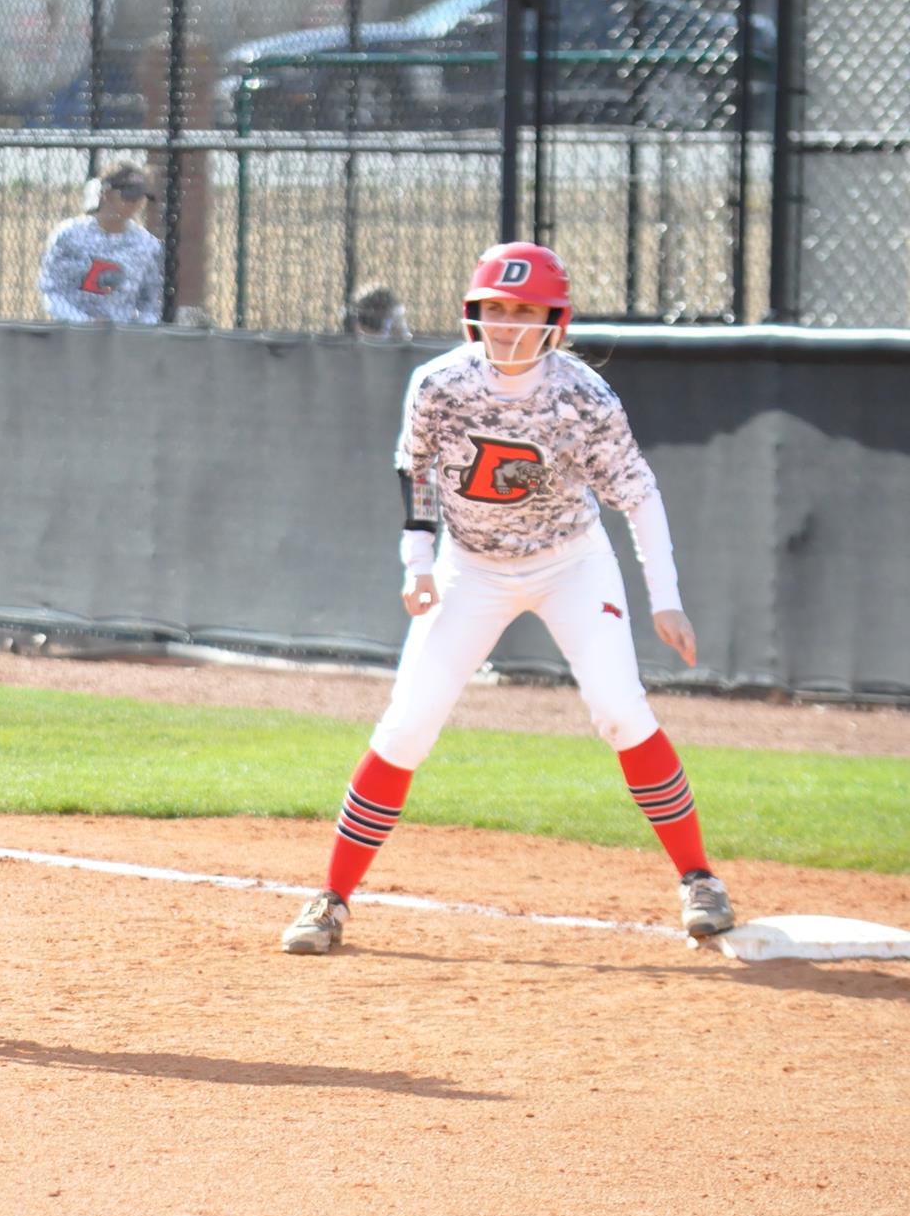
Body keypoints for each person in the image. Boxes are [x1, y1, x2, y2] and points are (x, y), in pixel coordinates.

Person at [280, 241, 737, 954]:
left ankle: (699, 880)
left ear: (555, 319)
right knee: (406, 726)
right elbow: (418, 468)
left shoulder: (583, 397)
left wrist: (665, 597)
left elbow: (638, 494)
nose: (508, 324)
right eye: (495, 308)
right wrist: (417, 561)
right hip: (472, 567)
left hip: (570, 562)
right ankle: (330, 898)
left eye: (524, 310)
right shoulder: (440, 383)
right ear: (472, 315)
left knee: (620, 711)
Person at [37, 159, 164, 325]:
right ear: (107, 193)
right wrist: (84, 322)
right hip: (71, 334)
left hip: (121, 339)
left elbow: (152, 302)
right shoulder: (70, 235)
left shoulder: (148, 245)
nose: (137, 201)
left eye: (142, 194)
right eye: (130, 193)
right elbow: (51, 290)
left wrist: (137, 330)